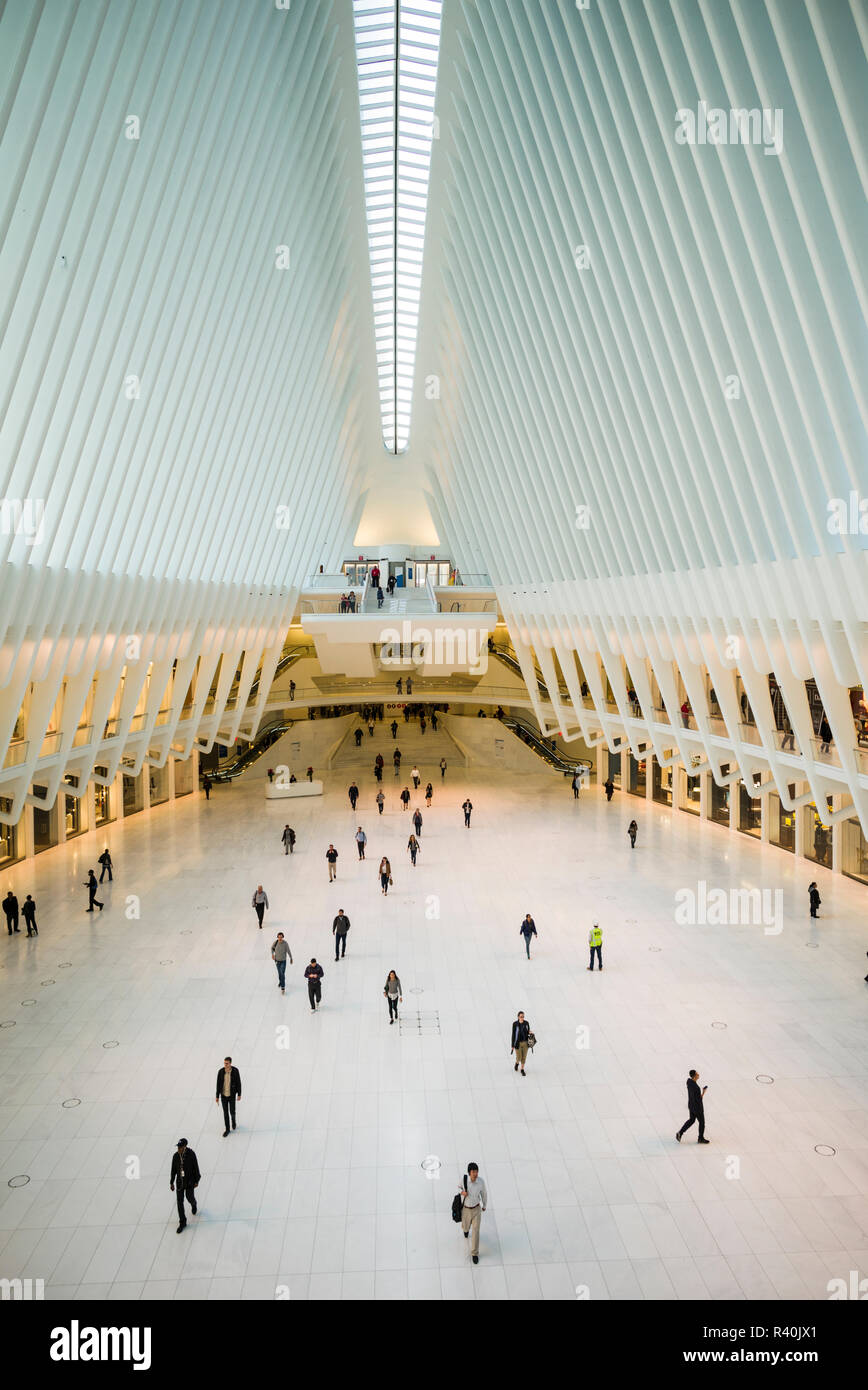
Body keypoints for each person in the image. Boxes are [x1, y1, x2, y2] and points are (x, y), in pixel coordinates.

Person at [170, 1139, 200, 1233]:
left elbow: (196, 1167)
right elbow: (173, 1170)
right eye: (178, 1147)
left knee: (189, 1197)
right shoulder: (175, 1156)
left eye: (180, 1147)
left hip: (189, 1181)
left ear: (185, 1146)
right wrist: (171, 1182)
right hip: (179, 1183)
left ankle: (194, 1204)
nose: (179, 1148)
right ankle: (182, 1222)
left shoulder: (191, 1154)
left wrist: (197, 1180)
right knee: (179, 1202)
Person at [458, 1164, 487, 1263]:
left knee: (476, 1231)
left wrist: (484, 1205)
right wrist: (462, 1192)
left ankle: (474, 1253)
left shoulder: (481, 1182)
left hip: (476, 1209)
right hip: (466, 1209)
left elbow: (484, 1193)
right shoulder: (464, 1180)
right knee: (466, 1227)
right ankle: (465, 1230)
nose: (475, 1174)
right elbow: (458, 1188)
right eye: (473, 1172)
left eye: (476, 1171)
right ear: (469, 1173)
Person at [676, 1069, 709, 1144]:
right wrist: (703, 1092)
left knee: (691, 1120)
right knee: (702, 1122)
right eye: (697, 1074)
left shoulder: (689, 1083)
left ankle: (680, 1133)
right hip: (697, 1108)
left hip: (691, 1106)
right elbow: (699, 1099)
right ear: (694, 1076)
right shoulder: (696, 1088)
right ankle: (700, 1138)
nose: (698, 1075)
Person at [215, 1056, 242, 1136]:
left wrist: (239, 1094)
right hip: (223, 1096)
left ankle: (233, 1122)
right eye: (224, 1063)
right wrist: (217, 1096)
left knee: (232, 1111)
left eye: (227, 1063)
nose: (225, 1065)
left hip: (232, 1095)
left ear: (230, 1063)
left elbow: (238, 1083)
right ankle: (227, 1129)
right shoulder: (220, 1072)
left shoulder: (235, 1071)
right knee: (225, 1113)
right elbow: (218, 1084)